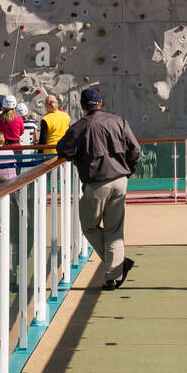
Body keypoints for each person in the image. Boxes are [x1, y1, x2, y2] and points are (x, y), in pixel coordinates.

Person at [56, 88, 140, 290]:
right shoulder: (119, 121)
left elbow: (62, 149)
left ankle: (118, 267)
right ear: (101, 102)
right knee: (114, 230)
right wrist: (128, 171)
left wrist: (77, 159)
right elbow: (135, 149)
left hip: (96, 182)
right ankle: (113, 272)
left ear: (83, 106)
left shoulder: (80, 126)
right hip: (120, 179)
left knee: (89, 226)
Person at [39, 94, 71, 158]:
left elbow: (43, 140)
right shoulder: (66, 116)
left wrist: (39, 153)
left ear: (46, 105)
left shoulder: (46, 119)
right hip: (64, 149)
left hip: (50, 151)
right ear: (56, 103)